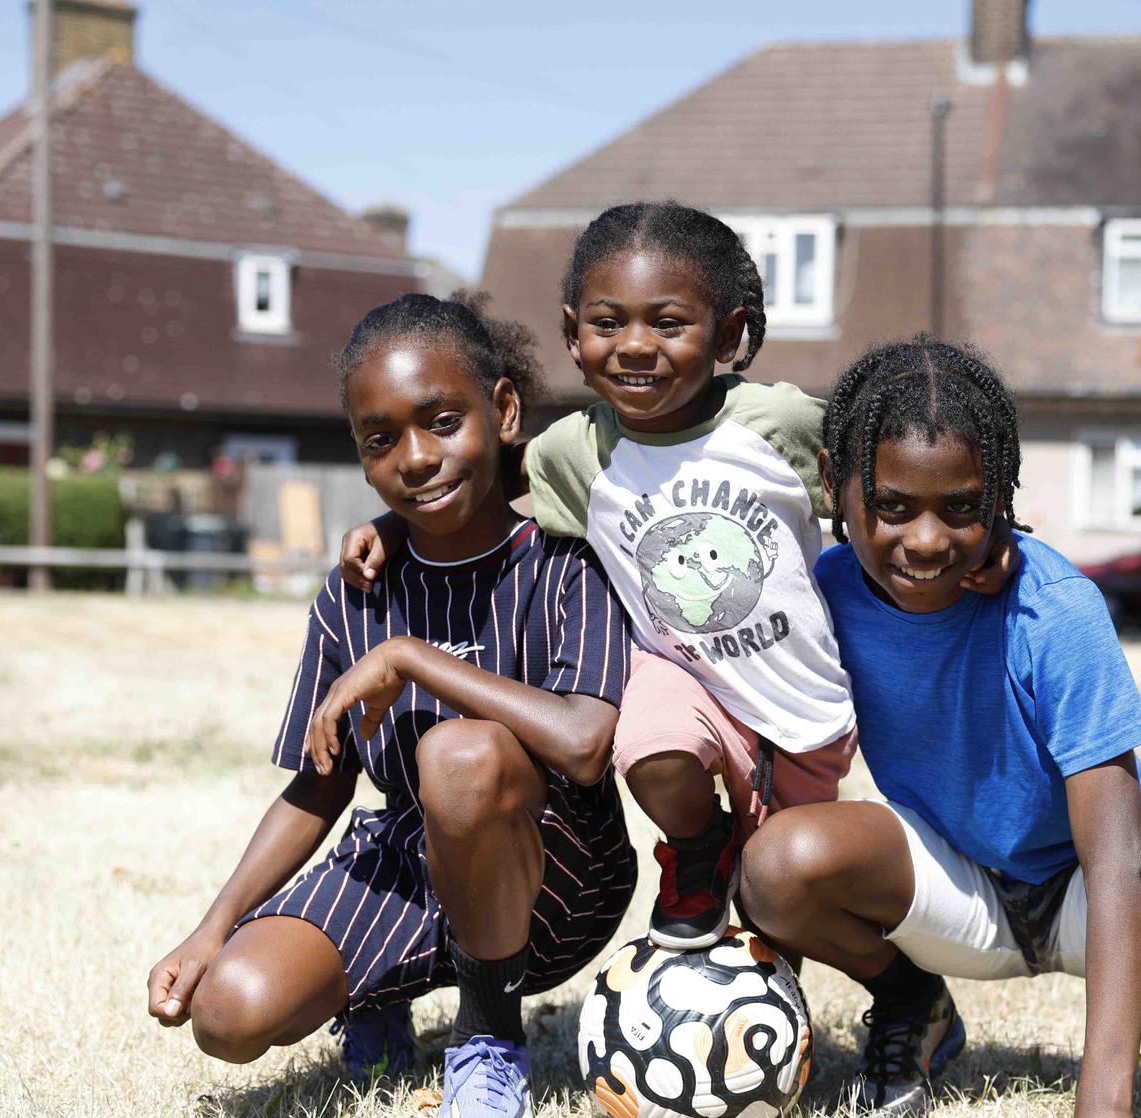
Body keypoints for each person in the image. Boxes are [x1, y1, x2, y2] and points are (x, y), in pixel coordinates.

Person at [737, 336, 1141, 1118]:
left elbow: (1117, 866)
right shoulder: (818, 590)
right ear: (832, 481)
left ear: (1003, 496)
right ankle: (910, 1003)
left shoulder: (1053, 606)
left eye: (963, 507)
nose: (926, 540)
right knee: (779, 863)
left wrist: (1104, 1111)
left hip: (1090, 888)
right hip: (956, 890)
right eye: (891, 506)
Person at [343, 204, 1008, 953]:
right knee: (649, 746)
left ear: (727, 336)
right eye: (606, 323)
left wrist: (993, 533)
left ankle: (882, 994)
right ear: (572, 332)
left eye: (666, 323)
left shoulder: (777, 422)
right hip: (679, 677)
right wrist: (393, 526)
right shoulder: (574, 452)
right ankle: (696, 848)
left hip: (797, 710)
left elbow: (904, 473)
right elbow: (477, 484)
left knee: (775, 900)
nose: (634, 346)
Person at [145, 293, 634, 1118]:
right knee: (229, 1014)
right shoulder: (356, 589)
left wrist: (411, 658)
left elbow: (586, 746)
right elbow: (320, 782)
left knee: (460, 755)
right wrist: (211, 929)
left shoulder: (567, 561)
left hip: (557, 874)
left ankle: (488, 1036)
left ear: (504, 410)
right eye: (381, 440)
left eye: (441, 421)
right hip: (411, 859)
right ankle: (380, 992)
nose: (415, 457)